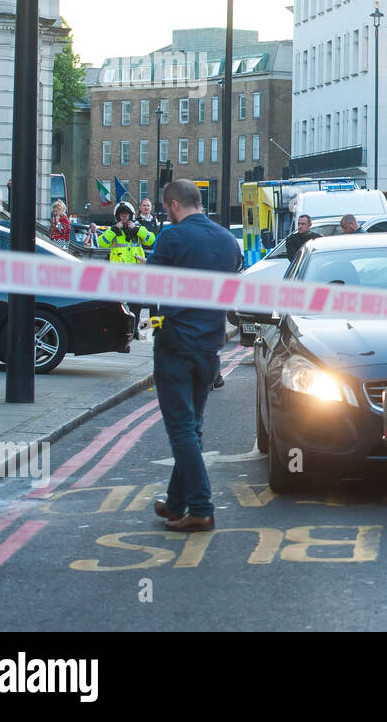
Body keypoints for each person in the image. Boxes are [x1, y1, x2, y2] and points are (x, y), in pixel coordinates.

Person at [148, 179, 242, 533]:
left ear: (173, 204)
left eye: (166, 208)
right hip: (209, 348)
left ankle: (201, 508)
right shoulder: (228, 241)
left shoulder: (173, 238)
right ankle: (176, 504)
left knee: (182, 430)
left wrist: (157, 322)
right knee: (193, 427)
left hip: (176, 346)